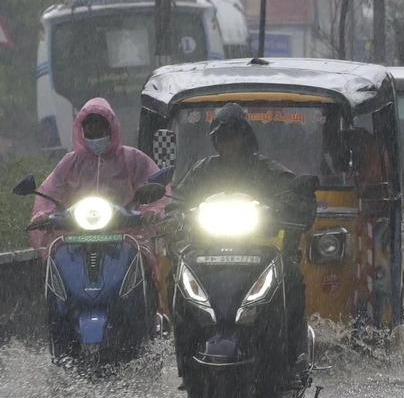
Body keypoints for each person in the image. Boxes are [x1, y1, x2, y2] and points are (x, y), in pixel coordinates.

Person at [172, 103, 316, 364]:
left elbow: (293, 194)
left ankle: (297, 354)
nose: (228, 142)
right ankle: (183, 357)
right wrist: (172, 215)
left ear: (246, 137)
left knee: (291, 277)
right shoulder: (204, 170)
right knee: (180, 276)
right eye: (222, 136)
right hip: (207, 254)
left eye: (234, 135)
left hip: (260, 251)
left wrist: (290, 205)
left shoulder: (265, 170)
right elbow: (179, 199)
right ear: (215, 139)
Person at [30, 98, 164, 251]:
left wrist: (152, 211)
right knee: (57, 267)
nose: (95, 133)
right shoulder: (70, 163)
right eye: (90, 128)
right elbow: (49, 192)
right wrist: (43, 214)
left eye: (100, 128)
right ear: (82, 130)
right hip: (76, 241)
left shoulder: (133, 159)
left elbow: (157, 187)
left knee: (149, 267)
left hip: (128, 240)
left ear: (111, 128)